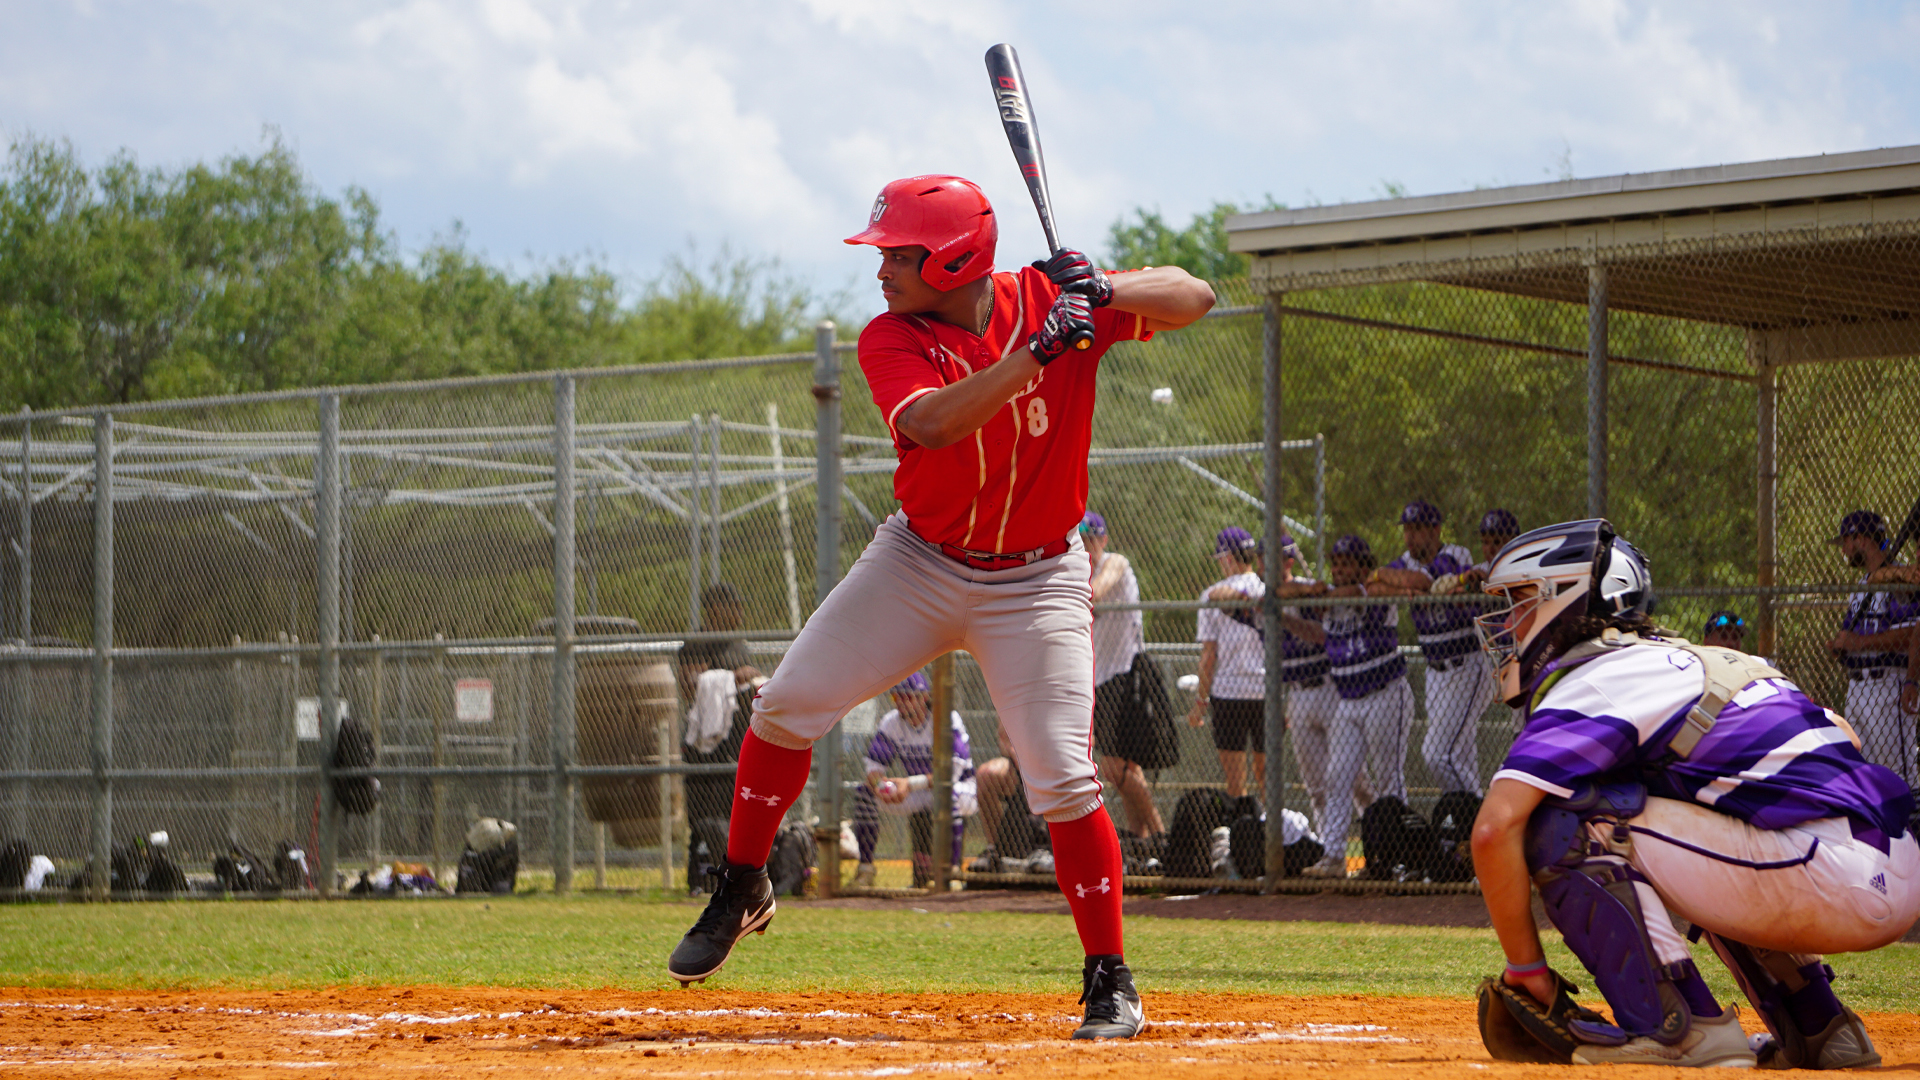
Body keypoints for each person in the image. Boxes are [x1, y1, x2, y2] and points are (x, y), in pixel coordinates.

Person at [663, 174, 1214, 1042]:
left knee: (1060, 776)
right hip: (920, 558)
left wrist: (1100, 291)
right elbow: (934, 426)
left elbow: (1196, 294)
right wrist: (1035, 353)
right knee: (784, 706)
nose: (881, 268)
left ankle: (1110, 978)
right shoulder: (892, 336)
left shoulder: (1051, 299)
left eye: (898, 254)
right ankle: (742, 882)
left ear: (955, 257)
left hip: (1035, 579)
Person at [1470, 518, 1917, 1067]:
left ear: (1565, 600)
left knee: (1565, 822)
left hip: (1828, 872)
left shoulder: (1599, 677)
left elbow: (1493, 831)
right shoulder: (1694, 659)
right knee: (1715, 805)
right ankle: (1823, 1029)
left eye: (1518, 601)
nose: (1508, 623)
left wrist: (1528, 971)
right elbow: (1843, 733)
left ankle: (1681, 1032)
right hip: (1889, 864)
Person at [1208, 532, 1372, 850]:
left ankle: (1379, 839)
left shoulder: (1305, 595)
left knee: (1354, 778)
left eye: (1275, 558)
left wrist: (1279, 606)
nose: (1266, 563)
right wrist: (1253, 600)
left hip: (1331, 691)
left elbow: (1318, 617)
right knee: (1316, 785)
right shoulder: (1260, 596)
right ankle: (1329, 850)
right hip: (1297, 695)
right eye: (1261, 558)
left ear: (1288, 561)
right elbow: (1217, 598)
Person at [1301, 534, 1413, 878]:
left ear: (1364, 567)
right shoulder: (1330, 602)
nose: (1339, 569)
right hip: (1348, 702)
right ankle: (1334, 856)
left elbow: (1357, 594)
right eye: (1336, 563)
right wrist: (1316, 594)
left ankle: (1398, 856)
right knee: (1338, 776)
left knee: (1388, 777)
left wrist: (1325, 593)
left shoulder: (1374, 591)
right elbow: (1304, 606)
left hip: (1385, 694)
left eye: (1347, 562)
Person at [1374, 500, 1491, 799]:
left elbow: (1424, 582)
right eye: (1408, 530)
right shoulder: (1404, 560)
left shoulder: (1456, 554)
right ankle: (1468, 832)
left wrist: (1398, 581)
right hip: (1434, 672)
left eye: (1418, 529)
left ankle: (1475, 816)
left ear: (1435, 530)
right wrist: (1391, 581)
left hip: (1467, 664)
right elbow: (1373, 584)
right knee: (1460, 756)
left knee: (1437, 753)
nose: (1410, 536)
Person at [1083, 511, 1166, 840]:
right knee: (1123, 768)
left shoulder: (1115, 563)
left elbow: (1097, 593)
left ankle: (1159, 835)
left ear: (1103, 540)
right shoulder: (1077, 572)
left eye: (1092, 540)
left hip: (1127, 673)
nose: (1087, 547)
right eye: (1081, 541)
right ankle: (1141, 839)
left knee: (1120, 767)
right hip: (1101, 680)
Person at [851, 672, 977, 889]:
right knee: (864, 793)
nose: (901, 703)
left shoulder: (945, 718)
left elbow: (951, 774)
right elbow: (874, 768)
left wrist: (909, 784)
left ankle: (953, 872)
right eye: (896, 697)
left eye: (907, 697)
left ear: (924, 697)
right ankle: (865, 870)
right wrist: (882, 787)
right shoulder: (891, 722)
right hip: (917, 791)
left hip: (961, 789)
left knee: (950, 794)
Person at [678, 581, 763, 893]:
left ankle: (730, 878)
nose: (740, 612)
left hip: (738, 742)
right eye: (734, 606)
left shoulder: (738, 644)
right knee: (703, 815)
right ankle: (700, 878)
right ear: (716, 609)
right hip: (707, 746)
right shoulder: (698, 642)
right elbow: (690, 686)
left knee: (732, 815)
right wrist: (733, 677)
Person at [1826, 510, 1918, 787]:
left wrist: (1858, 643)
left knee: (1897, 778)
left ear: (1861, 539)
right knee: (1862, 777)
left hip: (1887, 684)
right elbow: (1850, 634)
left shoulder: (1900, 577)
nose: (1843, 549)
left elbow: (1912, 634)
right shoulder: (1862, 586)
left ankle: (1909, 829)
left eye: (1846, 541)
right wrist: (1840, 646)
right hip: (1857, 689)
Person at [1186, 527, 1268, 803]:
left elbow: (1209, 657)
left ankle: (1243, 832)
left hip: (1229, 693)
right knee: (1267, 776)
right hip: (1265, 692)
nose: (1221, 564)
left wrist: (1201, 701)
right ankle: (1275, 834)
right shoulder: (1267, 590)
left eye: (1221, 558)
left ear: (1230, 558)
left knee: (1236, 783)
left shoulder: (1212, 594)